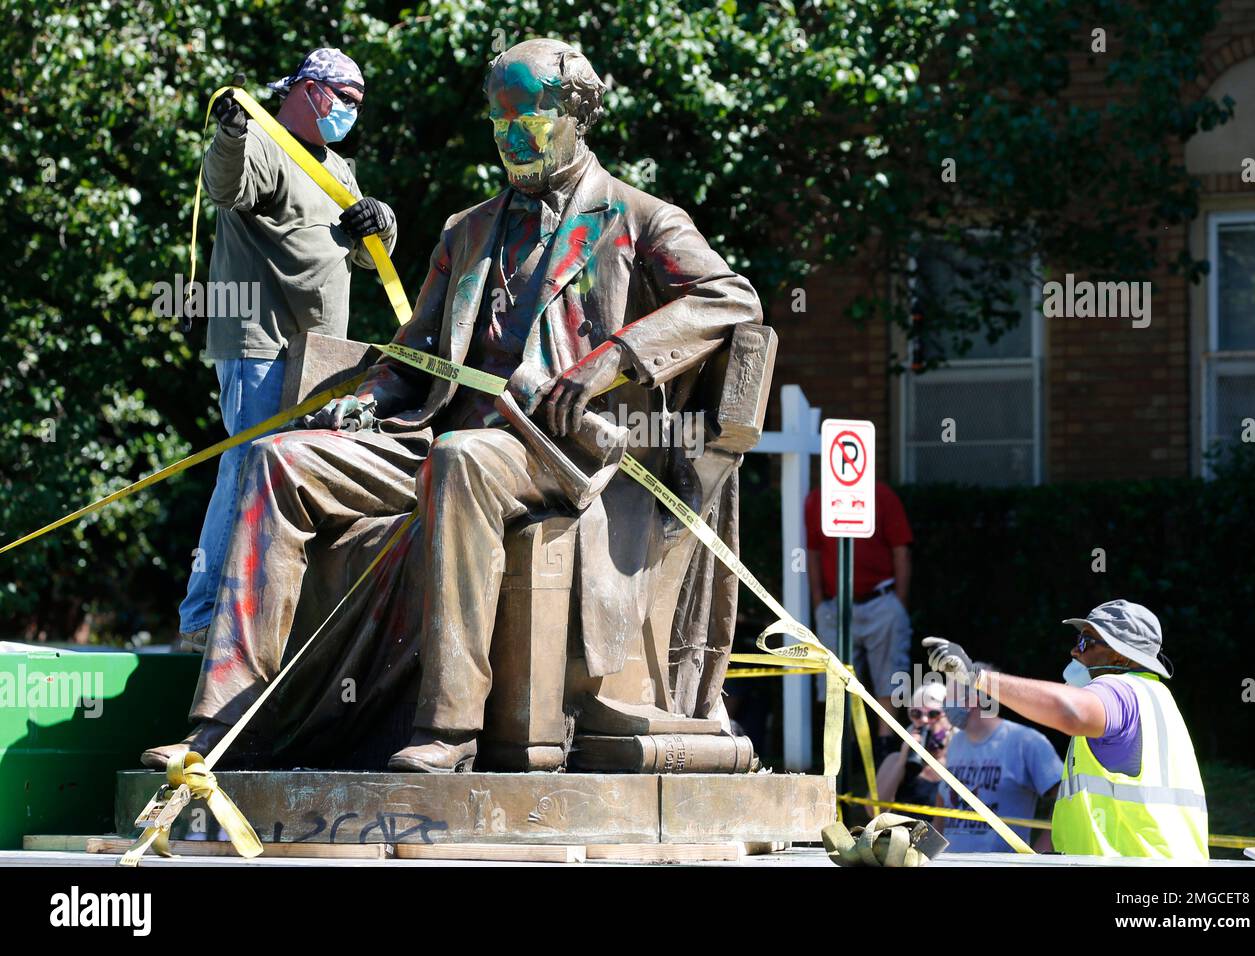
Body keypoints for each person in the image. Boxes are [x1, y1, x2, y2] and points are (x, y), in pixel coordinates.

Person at [143, 38, 763, 773]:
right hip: (434, 436)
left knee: (462, 460)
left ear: (575, 115)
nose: (509, 141)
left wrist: (604, 366)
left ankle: (450, 730)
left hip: (551, 447)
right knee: (279, 460)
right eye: (497, 127)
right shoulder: (466, 230)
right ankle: (228, 722)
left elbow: (731, 298)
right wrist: (366, 403)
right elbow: (412, 355)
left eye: (525, 124)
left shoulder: (638, 219)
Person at [176, 48, 398, 650]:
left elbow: (366, 252)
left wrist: (381, 221)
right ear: (305, 90)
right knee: (246, 467)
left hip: (320, 356)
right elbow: (225, 186)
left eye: (359, 102)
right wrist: (229, 133)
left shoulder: (338, 170)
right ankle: (201, 620)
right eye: (343, 98)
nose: (353, 111)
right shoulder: (266, 145)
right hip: (260, 341)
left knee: (291, 479)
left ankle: (271, 618)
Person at [923, 599, 1208, 860]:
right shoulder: (1153, 695)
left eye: (1086, 642)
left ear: (1122, 657)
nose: (1074, 650)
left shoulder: (1120, 690)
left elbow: (1071, 713)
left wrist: (976, 677)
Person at [805, 482, 913, 752]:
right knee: (836, 686)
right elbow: (813, 553)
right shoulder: (817, 499)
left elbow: (901, 550)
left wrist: (897, 603)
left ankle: (885, 752)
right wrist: (819, 603)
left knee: (889, 679)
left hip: (881, 602)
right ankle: (845, 758)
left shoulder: (883, 495)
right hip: (835, 608)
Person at [934, 664, 1062, 853]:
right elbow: (942, 804)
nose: (945, 702)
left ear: (972, 698)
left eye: (951, 693)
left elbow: (1066, 800)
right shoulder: (954, 742)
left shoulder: (1026, 742)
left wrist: (1041, 855)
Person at [876, 683, 951, 806]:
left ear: (949, 717)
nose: (924, 720)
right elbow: (873, 810)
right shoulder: (896, 759)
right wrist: (901, 762)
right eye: (916, 713)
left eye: (933, 714)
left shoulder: (960, 759)